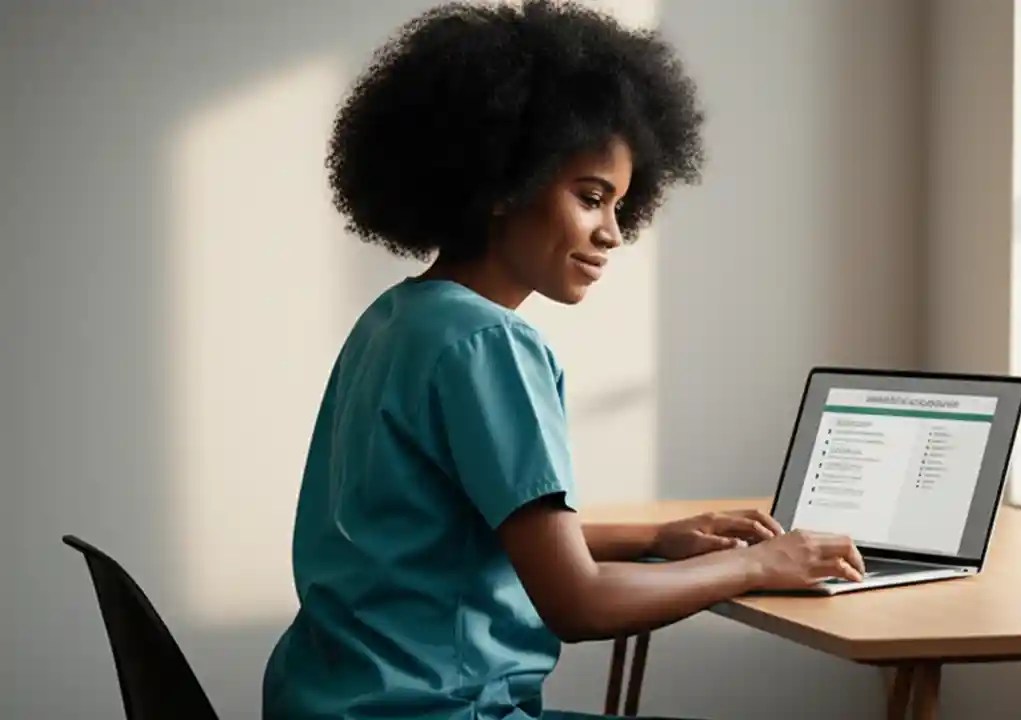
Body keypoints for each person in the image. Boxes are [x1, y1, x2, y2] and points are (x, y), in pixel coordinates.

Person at [261, 2, 865, 718]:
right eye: (591, 197)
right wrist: (760, 563)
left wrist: (657, 537)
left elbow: (465, 538)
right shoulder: (491, 344)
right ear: (501, 182)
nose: (612, 233)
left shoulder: (397, 320)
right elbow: (578, 601)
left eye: (619, 207)